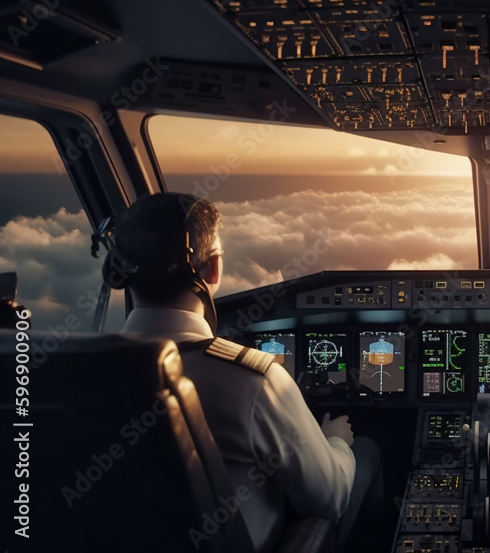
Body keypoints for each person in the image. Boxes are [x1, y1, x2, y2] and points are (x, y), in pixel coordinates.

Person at [114, 192, 381, 551]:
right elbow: (329, 498)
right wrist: (333, 439)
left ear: (118, 270)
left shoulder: (75, 379)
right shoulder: (252, 381)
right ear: (213, 268)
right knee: (364, 450)